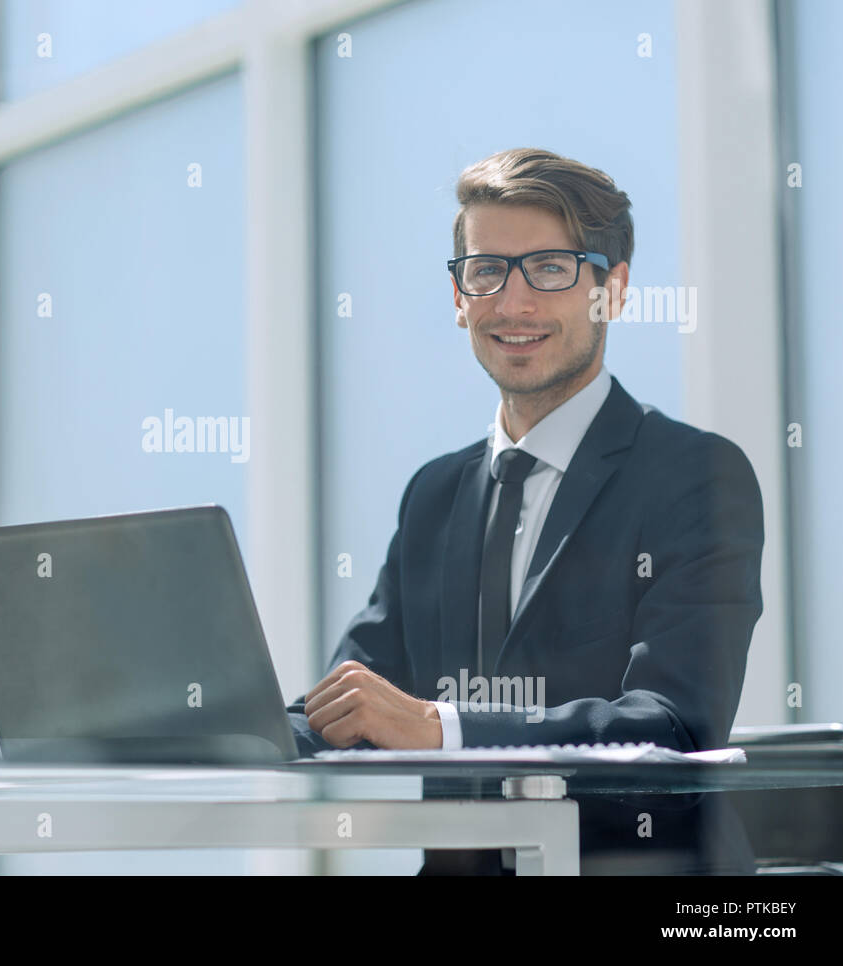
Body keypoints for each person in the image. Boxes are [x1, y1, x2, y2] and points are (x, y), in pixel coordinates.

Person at [288, 148, 763, 875]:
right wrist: (208, 725)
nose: (513, 304)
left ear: (614, 289)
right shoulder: (433, 496)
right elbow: (351, 701)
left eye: (549, 269)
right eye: (487, 271)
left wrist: (435, 724)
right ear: (458, 298)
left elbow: (672, 723)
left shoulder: (696, 476)